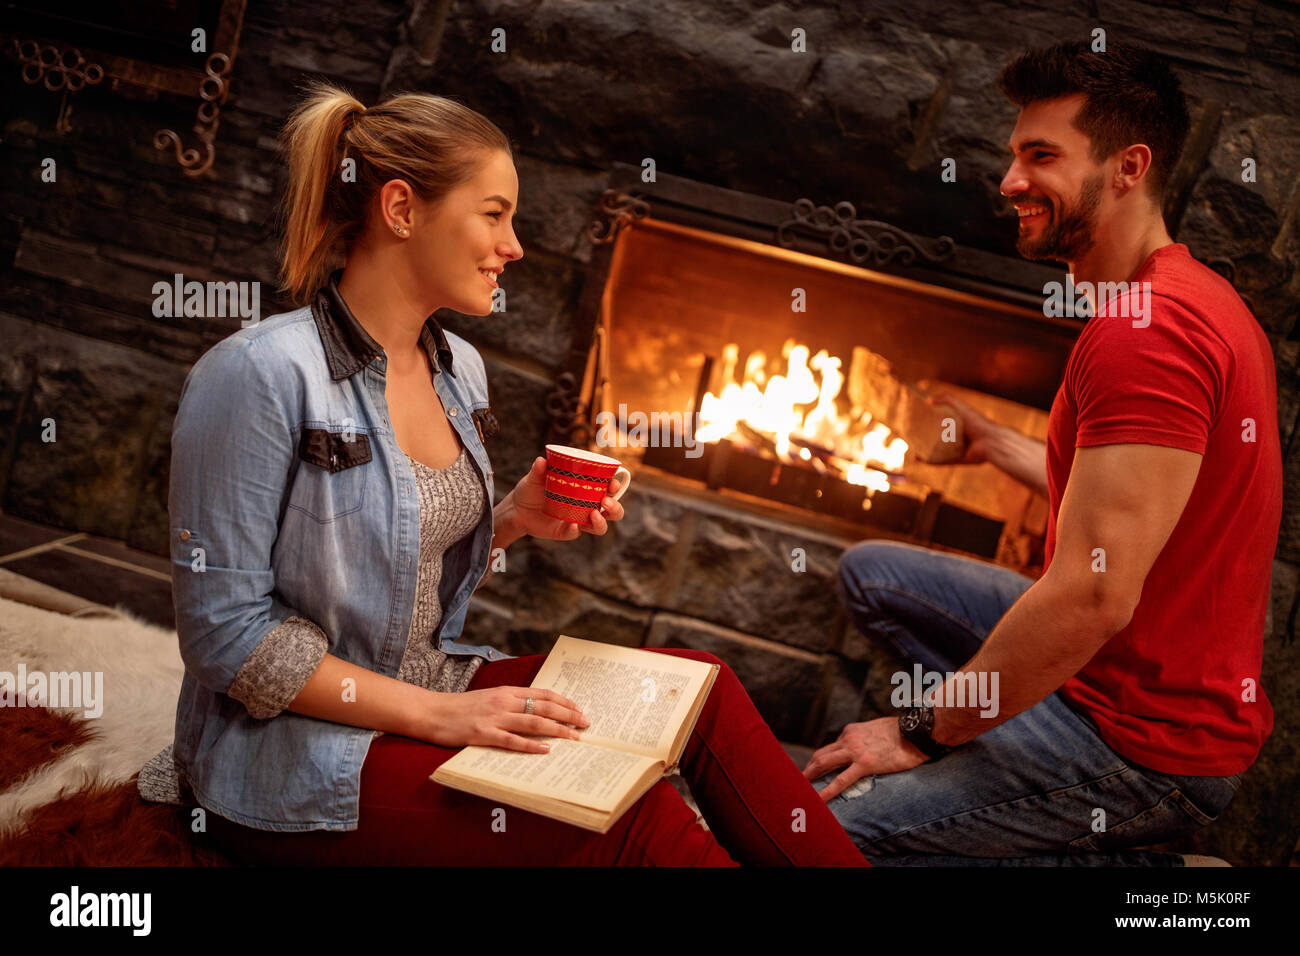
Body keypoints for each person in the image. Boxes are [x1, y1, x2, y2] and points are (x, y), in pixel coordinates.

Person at [145, 80, 865, 867]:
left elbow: (395, 578)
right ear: (400, 210)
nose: (515, 244)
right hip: (289, 758)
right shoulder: (256, 374)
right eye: (494, 214)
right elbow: (226, 638)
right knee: (630, 822)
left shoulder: (461, 373)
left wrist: (514, 518)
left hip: (425, 688)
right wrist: (439, 717)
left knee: (700, 691)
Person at [806, 42, 1281, 865]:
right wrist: (992, 445)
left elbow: (1092, 598)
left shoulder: (1147, 334)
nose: (1009, 181)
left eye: (1040, 156)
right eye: (1013, 154)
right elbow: (1132, 500)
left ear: (1128, 166)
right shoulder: (1183, 294)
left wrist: (918, 732)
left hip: (1140, 740)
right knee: (873, 574)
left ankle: (1109, 847)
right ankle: (1014, 774)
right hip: (1113, 666)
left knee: (824, 835)